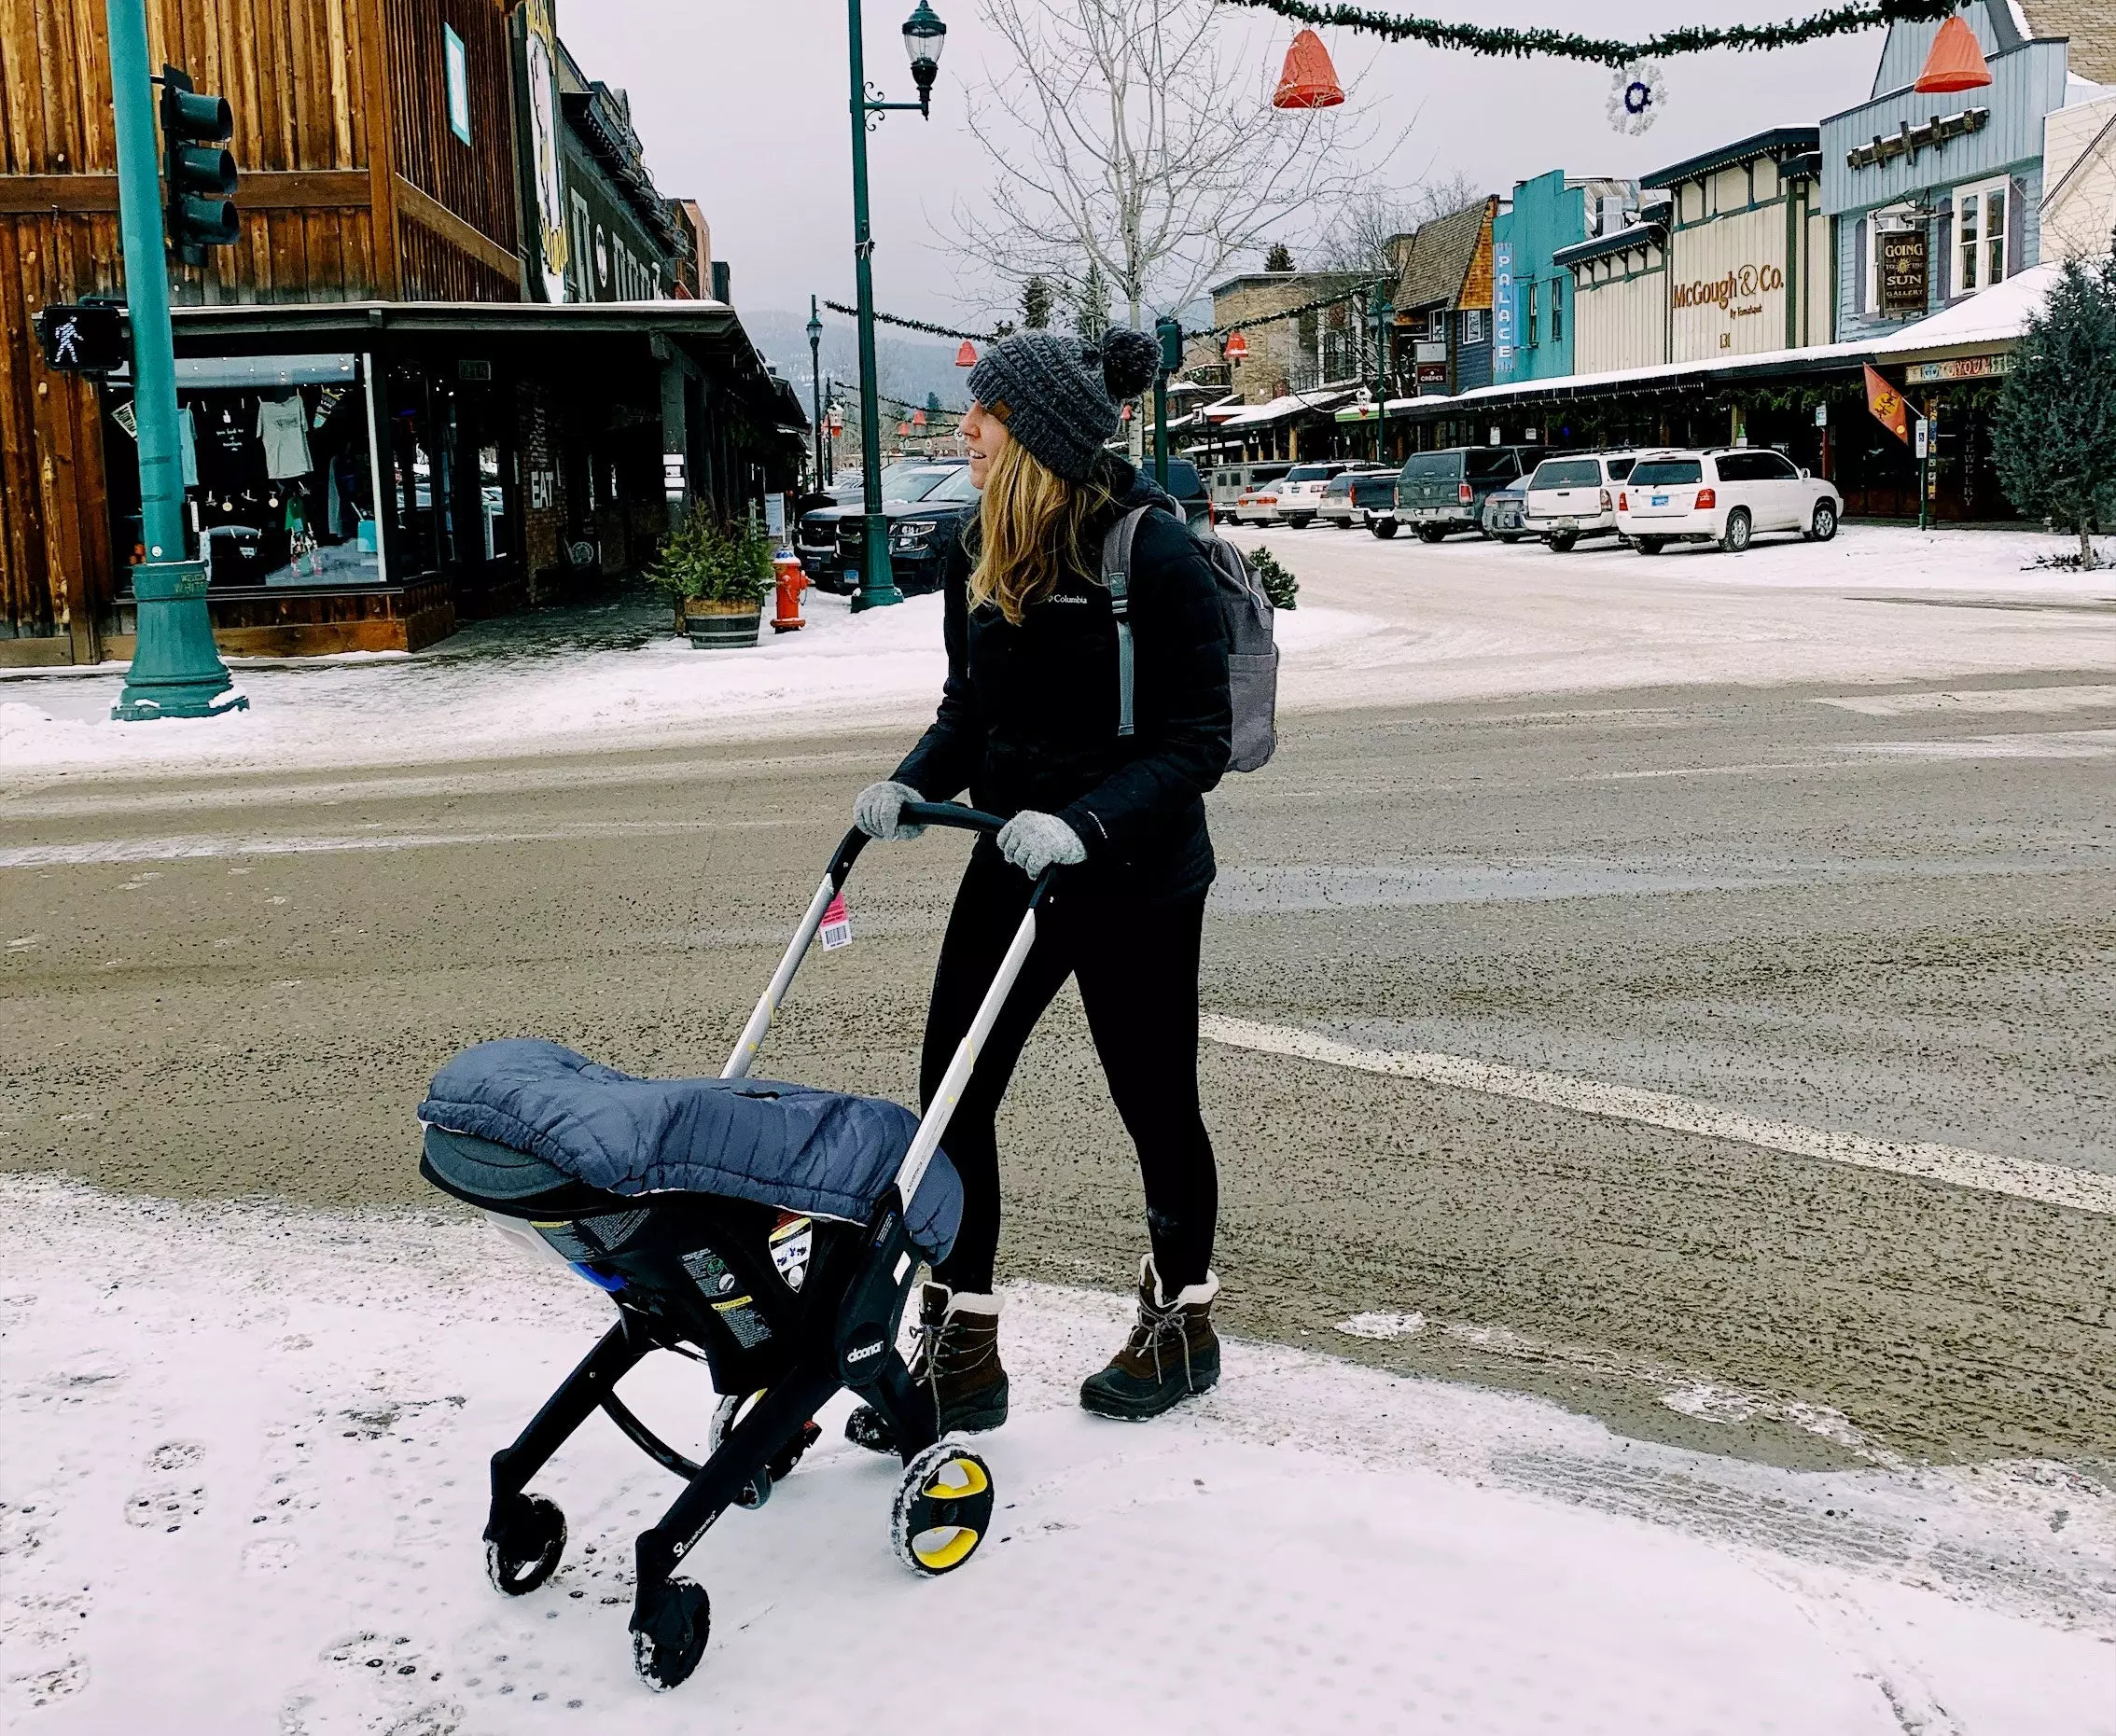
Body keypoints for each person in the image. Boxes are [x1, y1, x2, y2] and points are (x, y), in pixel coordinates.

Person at [846, 327, 1232, 1447]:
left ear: (1041, 437)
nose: (963, 429)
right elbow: (971, 718)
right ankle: (963, 1342)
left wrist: (1088, 823)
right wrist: (906, 785)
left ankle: (1185, 1321)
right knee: (953, 1094)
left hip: (1137, 873)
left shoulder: (1150, 555)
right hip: (1012, 859)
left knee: (1154, 1100)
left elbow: (1196, 742)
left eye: (986, 414)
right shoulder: (977, 547)